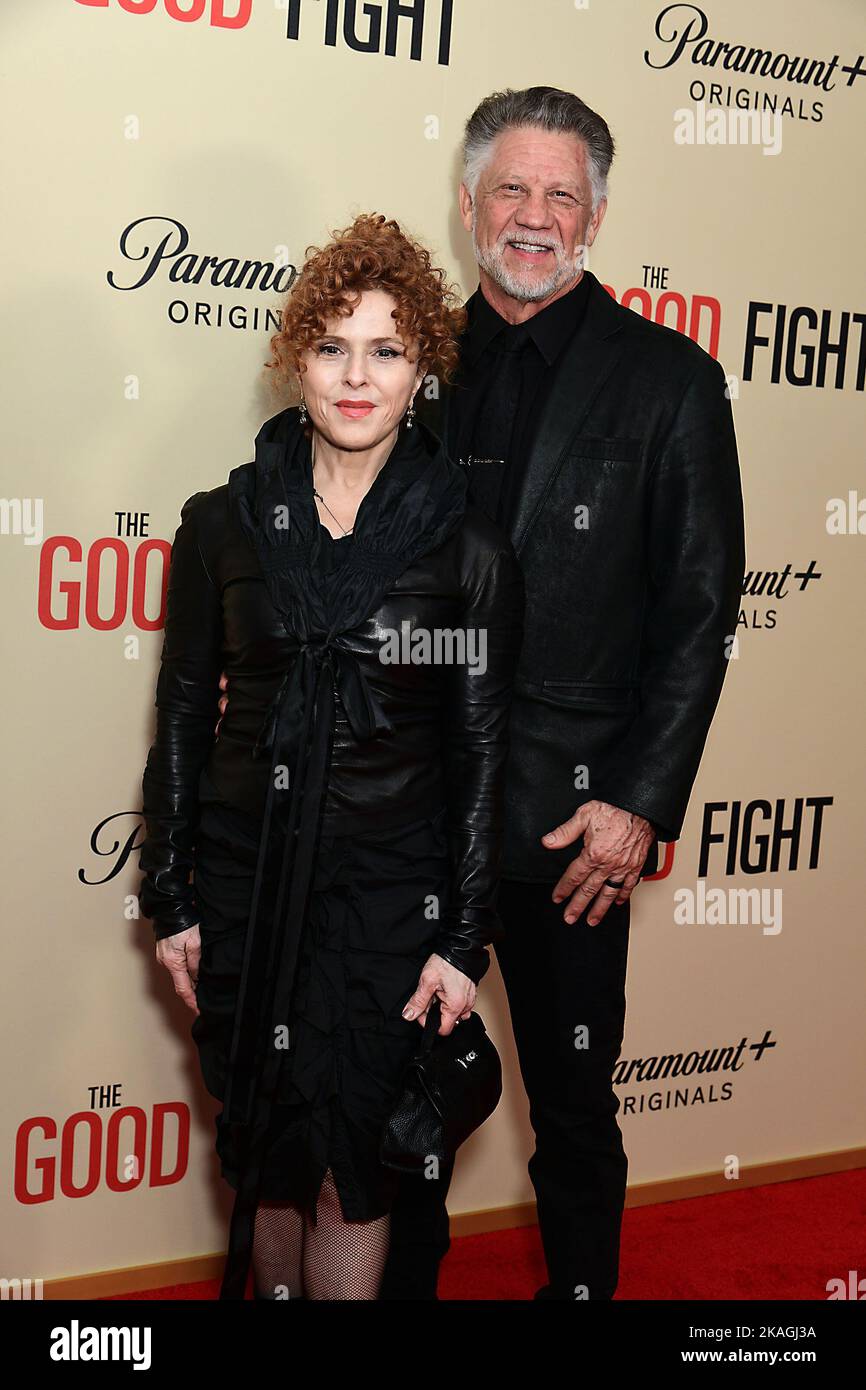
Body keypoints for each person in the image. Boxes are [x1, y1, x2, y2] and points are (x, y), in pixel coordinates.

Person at [373, 87, 745, 1300]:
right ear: (469, 202)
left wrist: (637, 802)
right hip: (405, 805)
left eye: (560, 194)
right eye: (511, 190)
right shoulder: (401, 367)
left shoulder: (668, 382)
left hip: (568, 824)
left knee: (574, 1109)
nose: (533, 217)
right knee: (394, 1099)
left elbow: (696, 612)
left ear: (593, 214)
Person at [138, 212, 525, 1301]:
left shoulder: (468, 551)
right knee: (266, 1167)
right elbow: (180, 714)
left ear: (421, 373)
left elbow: (480, 748)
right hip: (247, 887)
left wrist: (462, 937)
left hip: (386, 909)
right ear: (294, 360)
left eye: (387, 349)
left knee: (353, 1175)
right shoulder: (223, 524)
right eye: (332, 346)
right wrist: (172, 899)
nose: (358, 377)